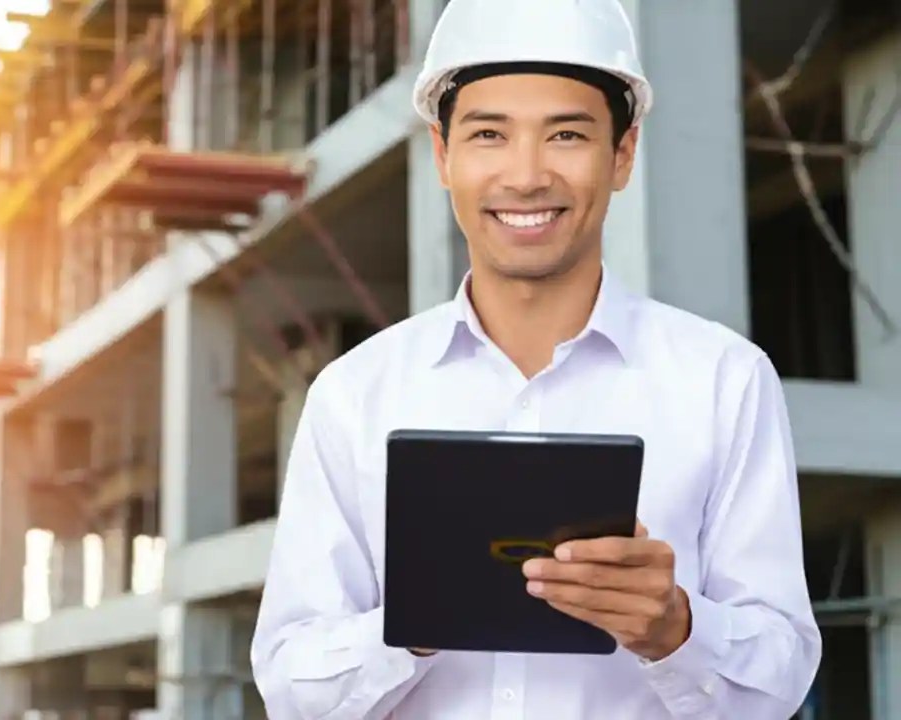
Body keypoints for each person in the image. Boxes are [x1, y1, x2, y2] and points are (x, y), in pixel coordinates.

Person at [249, 0, 823, 717]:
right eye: (489, 133)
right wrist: (413, 625)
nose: (525, 176)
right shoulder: (355, 394)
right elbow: (291, 689)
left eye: (567, 134)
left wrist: (676, 628)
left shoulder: (723, 381)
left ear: (622, 154)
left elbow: (781, 676)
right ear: (442, 155)